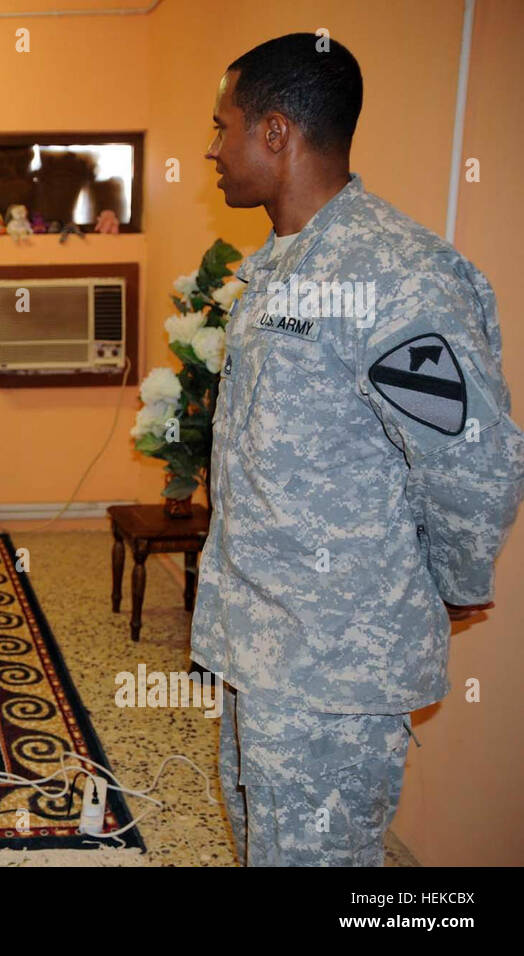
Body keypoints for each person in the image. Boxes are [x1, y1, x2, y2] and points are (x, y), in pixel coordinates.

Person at [194, 33, 524, 865]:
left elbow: (475, 457)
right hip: (264, 646)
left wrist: (450, 581)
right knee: (263, 844)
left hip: (337, 666)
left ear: (275, 133)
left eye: (221, 126)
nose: (211, 150)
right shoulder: (278, 266)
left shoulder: (393, 272)